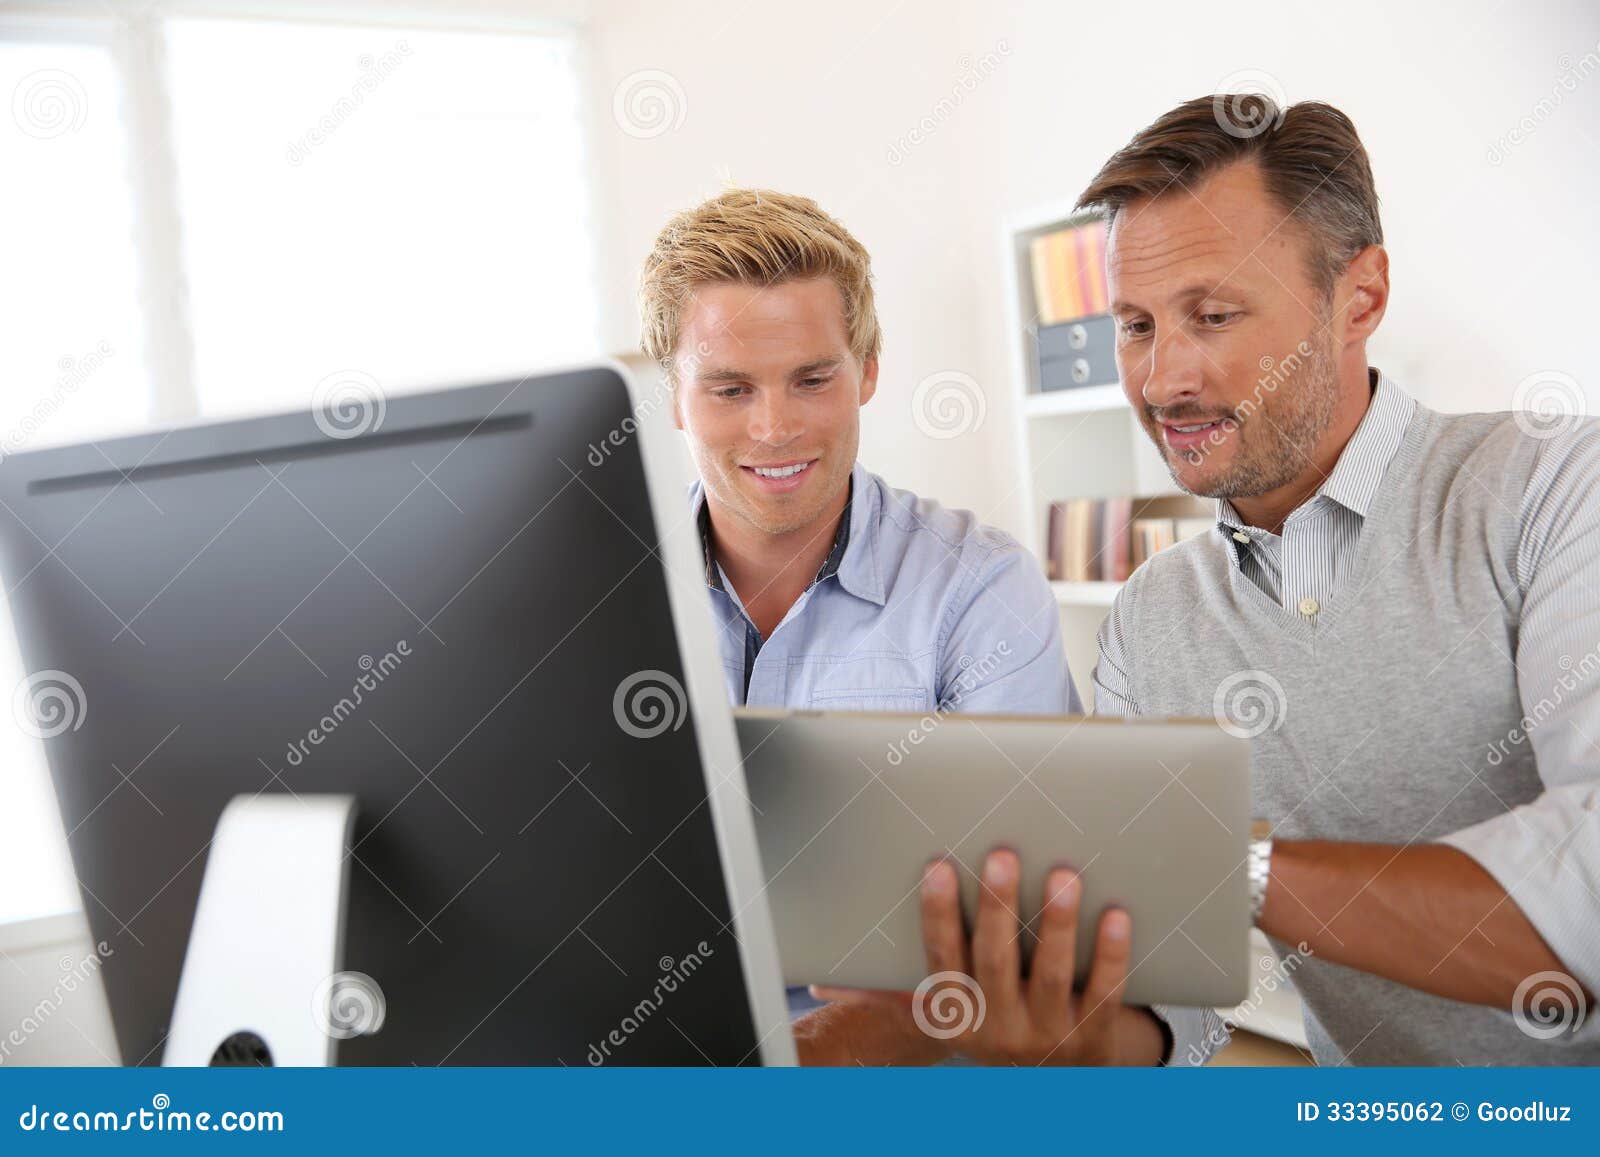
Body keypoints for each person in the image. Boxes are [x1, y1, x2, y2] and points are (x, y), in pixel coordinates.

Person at [820, 94, 1599, 1066]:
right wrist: (1067, 1030)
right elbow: (1174, 1011)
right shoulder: (1155, 615)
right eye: (1137, 324)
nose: (1161, 378)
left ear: (1359, 297)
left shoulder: (1553, 484)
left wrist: (1226, 861)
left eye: (1213, 315)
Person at [636, 188, 1087, 1060]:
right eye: (730, 388)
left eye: (812, 378)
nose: (774, 428)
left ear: (868, 368)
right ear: (677, 398)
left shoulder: (978, 589)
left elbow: (1023, 915)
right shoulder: (603, 591)